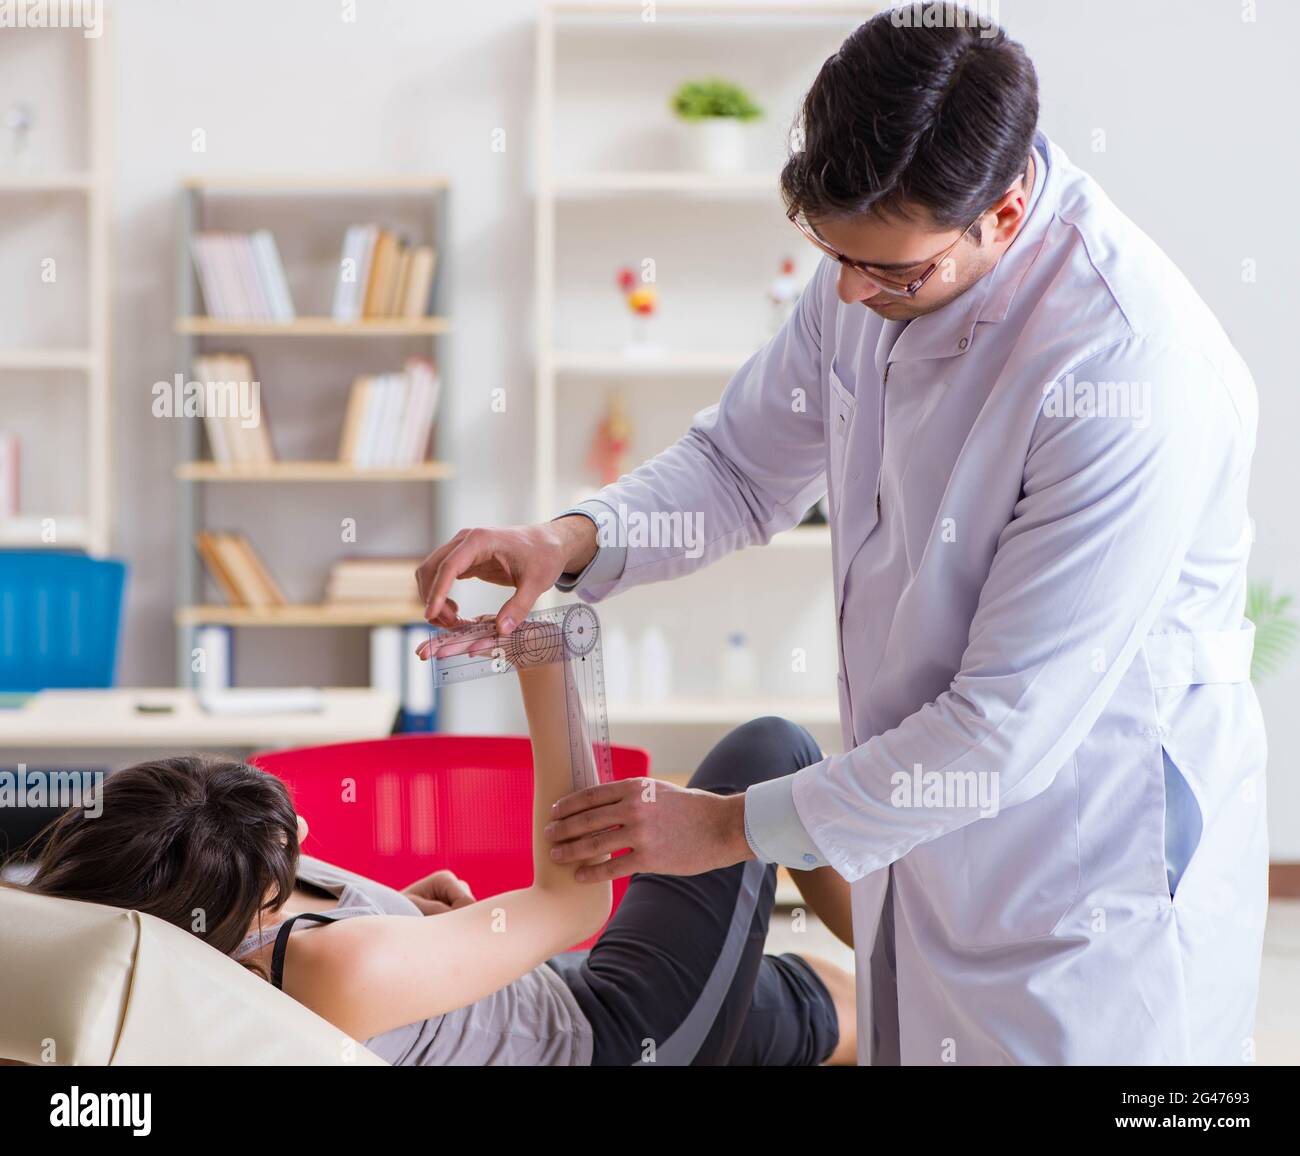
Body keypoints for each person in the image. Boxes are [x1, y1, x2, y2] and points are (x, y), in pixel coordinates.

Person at [415, 3, 1266, 1065]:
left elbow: (1003, 730)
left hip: (1086, 863)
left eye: (894, 275)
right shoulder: (873, 264)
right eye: (835, 257)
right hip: (931, 827)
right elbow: (736, 466)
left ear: (1003, 215)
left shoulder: (1128, 371)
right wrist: (569, 539)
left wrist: (721, 829)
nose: (855, 295)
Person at [12, 654, 854, 1067]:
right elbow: (572, 905)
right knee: (771, 750)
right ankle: (928, 985)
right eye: (288, 854)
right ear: (254, 906)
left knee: (818, 999)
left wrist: (406, 925)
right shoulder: (335, 967)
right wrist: (544, 661)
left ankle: (909, 997)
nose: (302, 832)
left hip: (553, 993)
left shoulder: (184, 943)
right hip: (615, 1033)